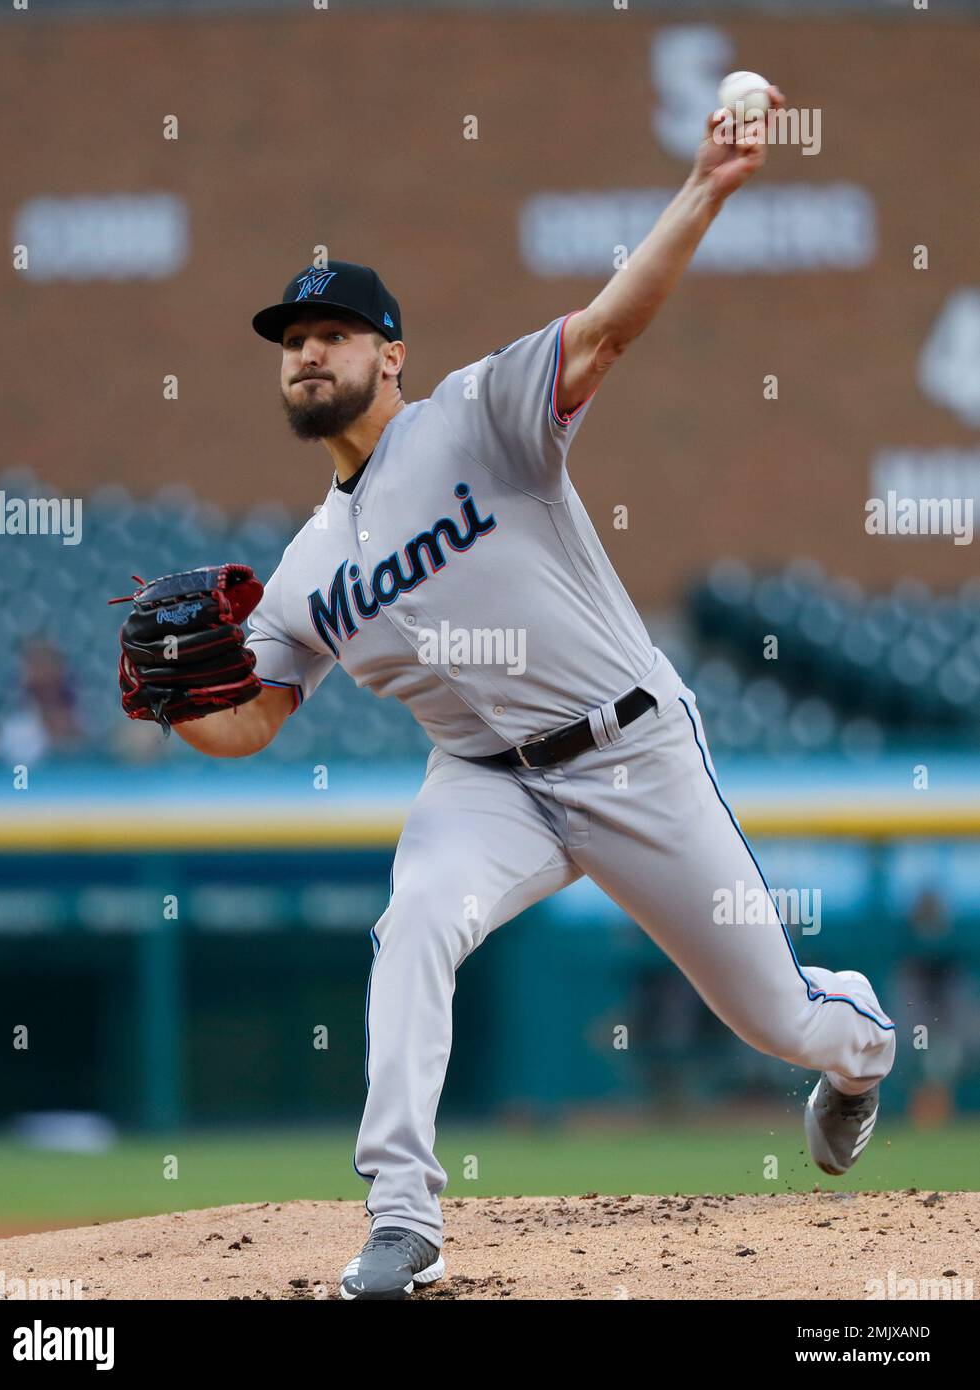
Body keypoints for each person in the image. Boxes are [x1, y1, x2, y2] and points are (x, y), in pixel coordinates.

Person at [173, 92, 896, 1301]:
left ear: (386, 354)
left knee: (784, 1022)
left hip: (631, 749)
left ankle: (862, 1047)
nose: (307, 350)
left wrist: (709, 185)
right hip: (484, 786)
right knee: (412, 926)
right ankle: (402, 1217)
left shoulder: (477, 416)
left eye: (334, 331)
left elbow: (610, 329)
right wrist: (172, 707)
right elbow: (250, 720)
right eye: (291, 337)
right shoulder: (304, 569)